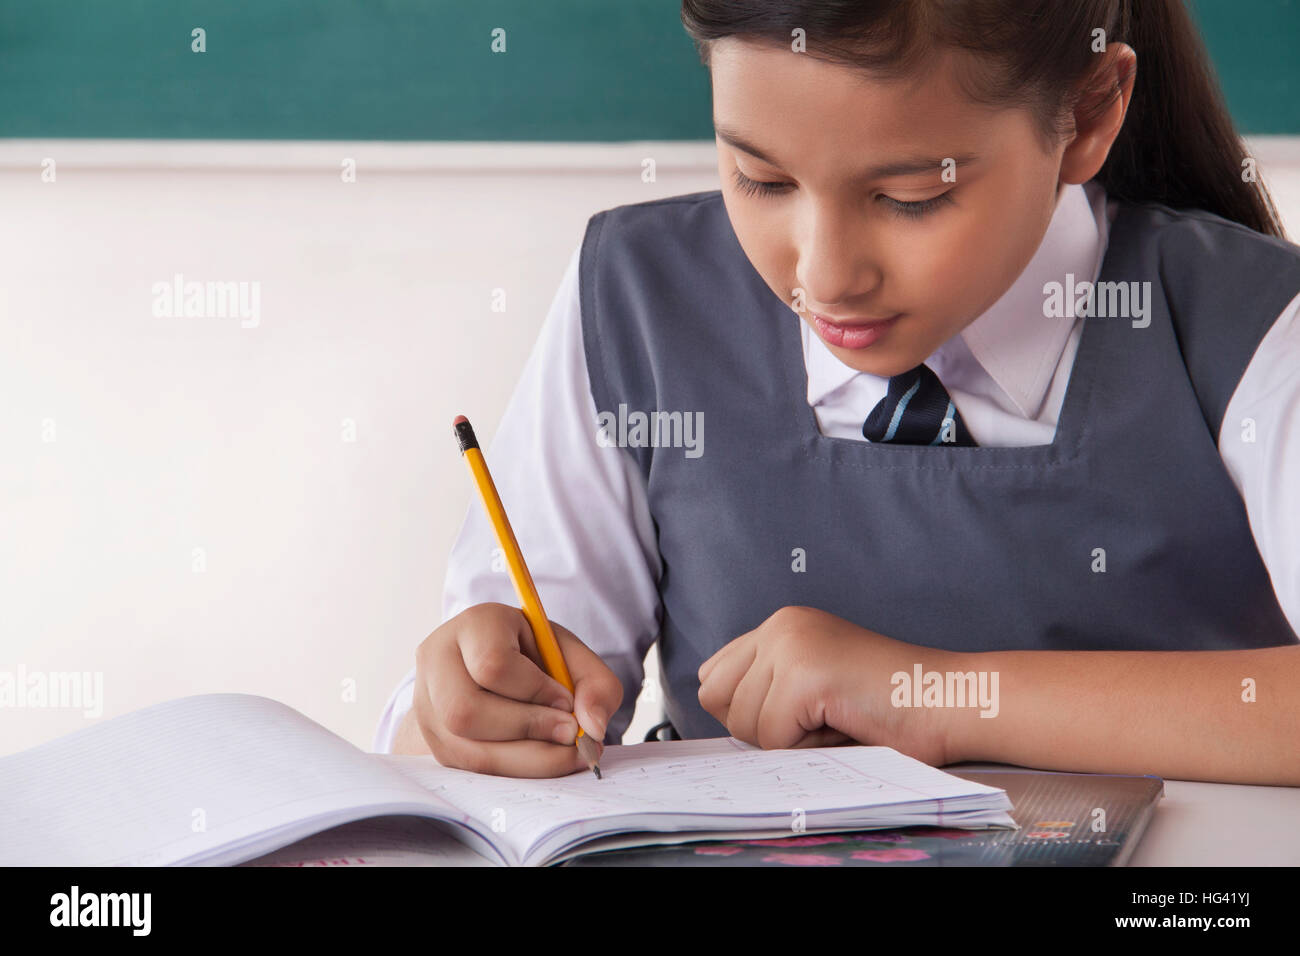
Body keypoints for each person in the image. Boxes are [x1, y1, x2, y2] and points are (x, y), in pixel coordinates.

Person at [376, 0, 1300, 784]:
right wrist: (469, 708)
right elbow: (466, 743)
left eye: (908, 197)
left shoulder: (1255, 327)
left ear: (1090, 112)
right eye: (761, 178)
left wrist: (932, 696)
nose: (824, 277)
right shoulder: (634, 299)